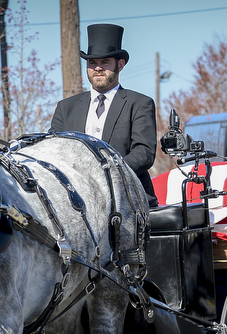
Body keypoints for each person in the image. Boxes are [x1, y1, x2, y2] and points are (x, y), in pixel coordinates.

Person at [50, 23, 159, 207]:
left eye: (105, 62)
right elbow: (54, 152)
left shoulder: (139, 104)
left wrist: (105, 174)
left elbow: (144, 154)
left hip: (127, 200)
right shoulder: (65, 107)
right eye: (92, 63)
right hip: (76, 203)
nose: (97, 68)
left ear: (120, 65)